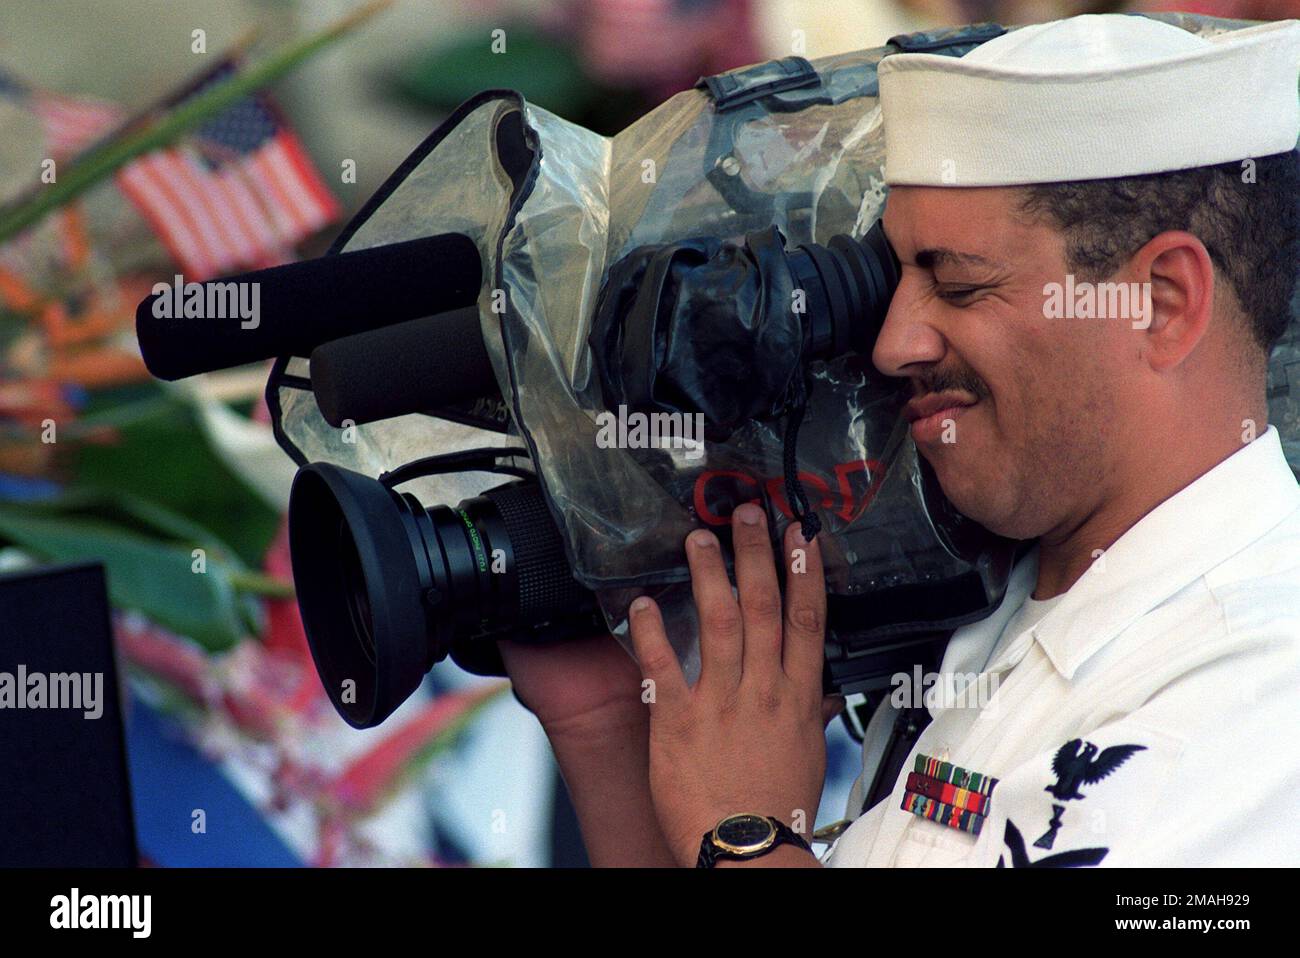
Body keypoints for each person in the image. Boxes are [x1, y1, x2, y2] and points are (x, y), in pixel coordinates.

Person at [500, 13, 1300, 867]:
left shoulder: (1262, 683)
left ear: (1161, 302)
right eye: (896, 278)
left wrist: (746, 831)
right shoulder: (987, 604)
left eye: (956, 285)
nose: (893, 343)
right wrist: (611, 727)